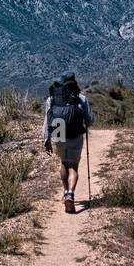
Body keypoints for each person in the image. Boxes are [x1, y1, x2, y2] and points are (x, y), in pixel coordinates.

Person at [42, 73, 93, 213]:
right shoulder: (81, 98)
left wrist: (46, 140)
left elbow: (47, 120)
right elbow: (90, 120)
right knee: (73, 167)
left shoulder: (52, 99)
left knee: (63, 163)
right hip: (75, 134)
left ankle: (65, 192)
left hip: (59, 133)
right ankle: (70, 193)